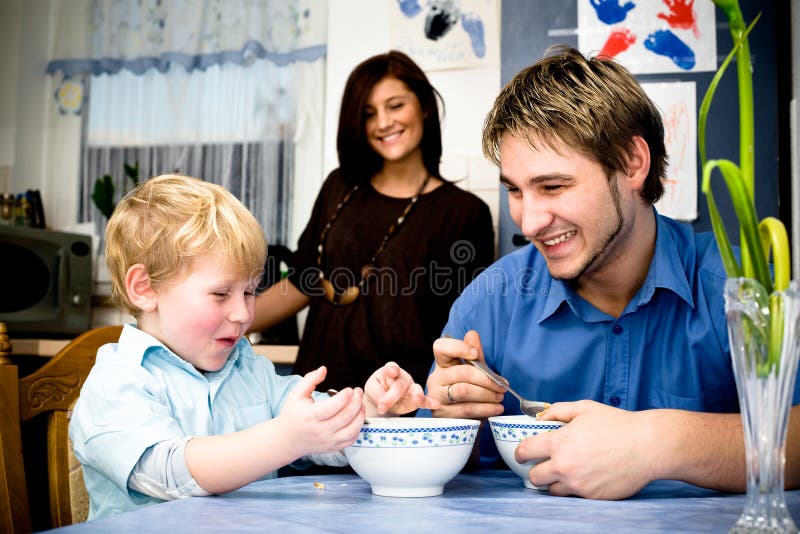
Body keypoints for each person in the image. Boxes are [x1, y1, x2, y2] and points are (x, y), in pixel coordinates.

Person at [424, 45, 800, 499]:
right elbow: (440, 463)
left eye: (553, 186)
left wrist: (659, 441)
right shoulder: (491, 302)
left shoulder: (738, 285)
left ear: (632, 163)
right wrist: (447, 420)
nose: (529, 222)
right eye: (516, 191)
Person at [69, 174, 439, 519]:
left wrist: (375, 406)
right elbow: (172, 472)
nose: (243, 312)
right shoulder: (116, 382)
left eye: (249, 291)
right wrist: (286, 438)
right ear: (145, 289)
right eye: (220, 294)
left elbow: (317, 428)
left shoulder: (248, 368)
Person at [249, 50, 495, 391]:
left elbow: (463, 332)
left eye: (395, 106)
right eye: (368, 113)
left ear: (423, 106)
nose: (383, 123)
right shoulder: (340, 187)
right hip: (316, 397)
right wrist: (224, 321)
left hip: (398, 408)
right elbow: (303, 280)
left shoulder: (466, 213)